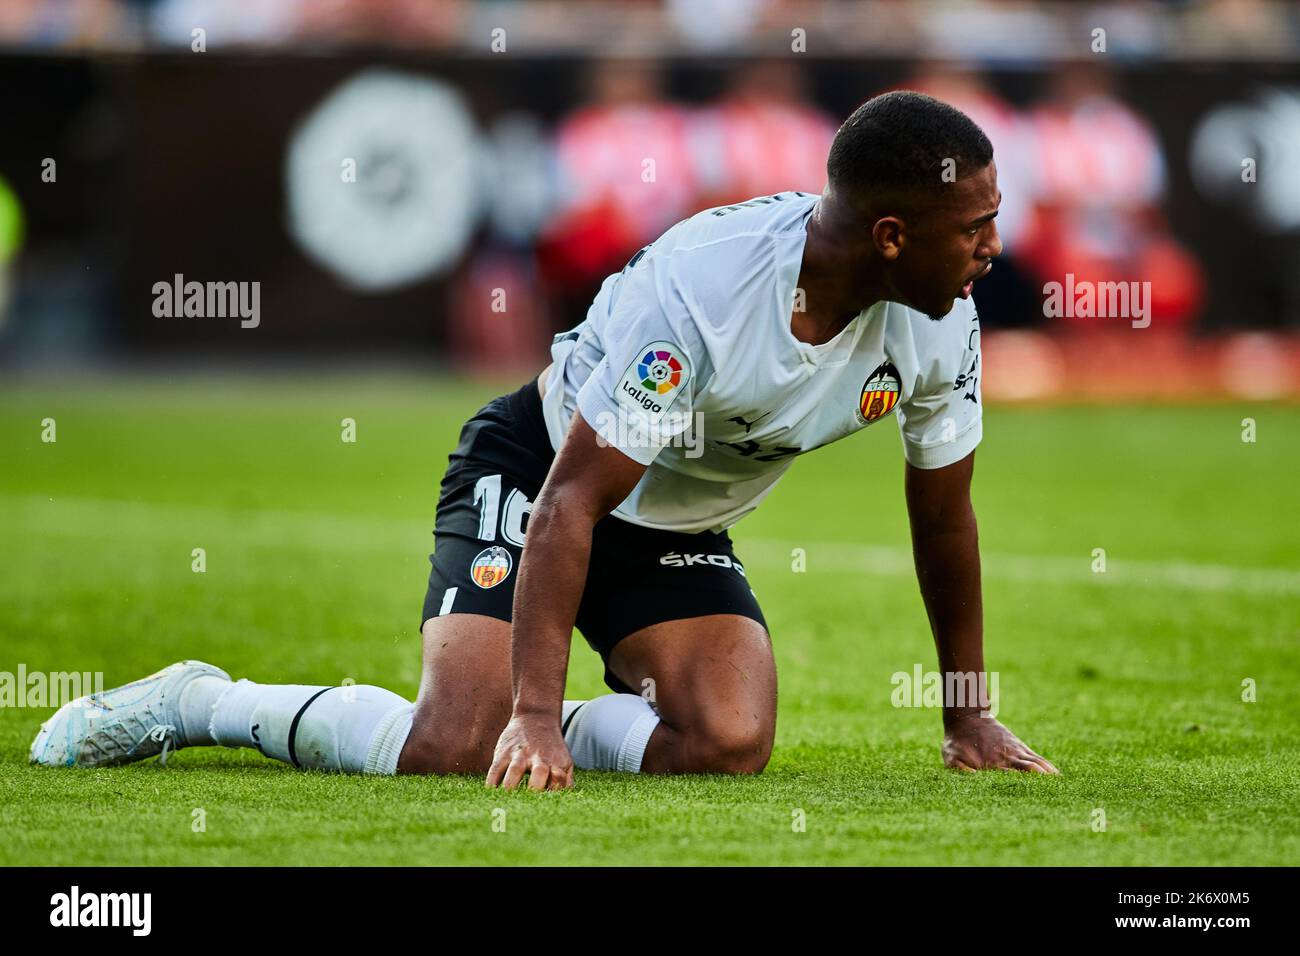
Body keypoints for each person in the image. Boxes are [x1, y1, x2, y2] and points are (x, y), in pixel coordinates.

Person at [31, 91, 1058, 786]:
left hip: (667, 519)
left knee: (728, 739)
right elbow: (569, 500)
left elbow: (943, 516)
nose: (991, 249)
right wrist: (525, 708)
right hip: (545, 470)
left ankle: (547, 719)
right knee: (451, 745)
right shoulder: (707, 293)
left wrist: (963, 711)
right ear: (889, 235)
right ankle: (204, 699)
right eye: (975, 227)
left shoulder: (940, 325)